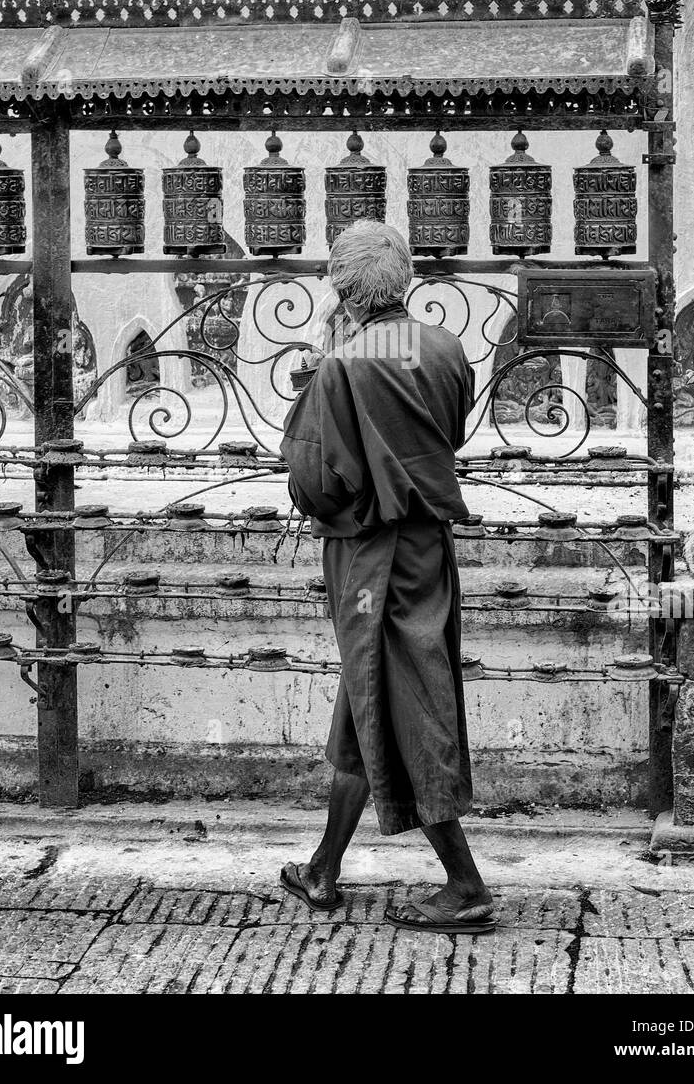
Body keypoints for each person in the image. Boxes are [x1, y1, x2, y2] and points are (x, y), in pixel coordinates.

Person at [279, 220, 495, 935]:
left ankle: (465, 886)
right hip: (428, 544)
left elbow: (313, 484)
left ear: (344, 289)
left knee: (403, 699)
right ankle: (322, 869)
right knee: (367, 691)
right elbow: (451, 432)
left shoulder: (342, 366)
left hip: (373, 554)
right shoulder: (443, 346)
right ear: (404, 281)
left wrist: (318, 384)